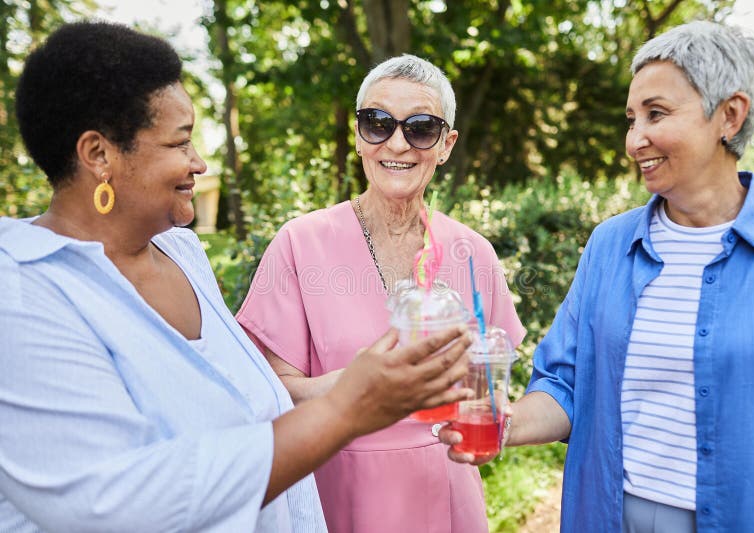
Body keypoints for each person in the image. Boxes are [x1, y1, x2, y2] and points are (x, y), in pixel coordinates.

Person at [0, 22, 475, 533]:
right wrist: (349, 407)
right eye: (180, 143)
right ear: (99, 156)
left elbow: (257, 406)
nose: (199, 164)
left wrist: (370, 384)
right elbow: (114, 505)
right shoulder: (23, 292)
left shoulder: (182, 252)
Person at [440, 20, 754, 532]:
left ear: (730, 115)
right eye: (631, 119)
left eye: (656, 114)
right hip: (608, 515)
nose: (635, 140)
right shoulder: (611, 244)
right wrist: (501, 426)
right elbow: (564, 383)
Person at [236, 54, 525, 533]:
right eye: (377, 123)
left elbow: (491, 387)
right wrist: (365, 386)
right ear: (357, 135)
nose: (397, 143)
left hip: (451, 497)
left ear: (446, 144)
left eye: (421, 128)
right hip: (343, 495)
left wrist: (492, 416)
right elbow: (268, 392)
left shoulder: (474, 253)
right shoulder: (300, 242)